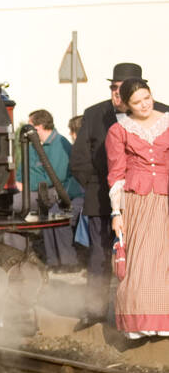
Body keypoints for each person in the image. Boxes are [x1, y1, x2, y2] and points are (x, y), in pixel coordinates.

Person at [70, 62, 166, 328]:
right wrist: (99, 186)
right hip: (102, 195)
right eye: (114, 86)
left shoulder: (162, 114)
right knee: (100, 257)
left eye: (122, 87)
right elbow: (79, 160)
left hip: (148, 197)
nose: (116, 91)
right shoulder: (94, 114)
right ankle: (95, 311)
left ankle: (148, 314)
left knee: (147, 258)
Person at [106, 79, 169, 338]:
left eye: (147, 97)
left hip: (164, 198)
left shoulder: (167, 122)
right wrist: (116, 213)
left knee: (163, 260)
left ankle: (163, 320)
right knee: (140, 262)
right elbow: (116, 173)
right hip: (136, 200)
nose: (144, 104)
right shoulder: (118, 130)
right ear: (127, 105)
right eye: (137, 102)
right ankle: (140, 323)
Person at [17, 108, 82, 270]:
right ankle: (17, 256)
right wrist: (18, 182)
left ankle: (66, 261)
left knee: (52, 212)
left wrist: (26, 186)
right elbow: (20, 170)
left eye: (30, 126)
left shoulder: (59, 144)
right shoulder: (33, 146)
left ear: (39, 127)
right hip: (29, 190)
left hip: (52, 191)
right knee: (8, 211)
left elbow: (56, 177)